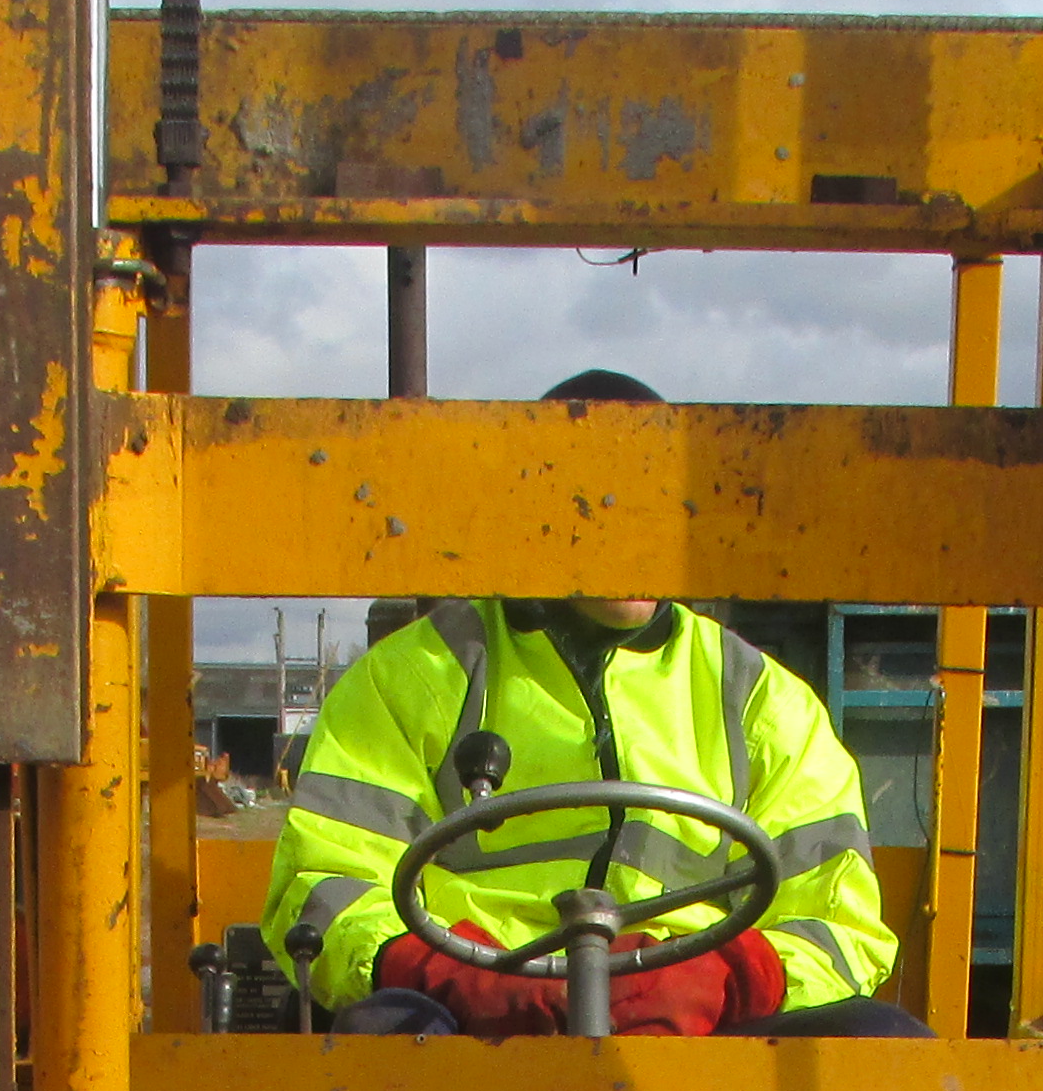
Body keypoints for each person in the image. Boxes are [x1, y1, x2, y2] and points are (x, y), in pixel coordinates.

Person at [263, 372, 928, 1038]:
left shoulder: (760, 701)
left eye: (657, 510)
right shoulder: (410, 678)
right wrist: (448, 972)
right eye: (603, 507)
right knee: (384, 1035)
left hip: (700, 1034)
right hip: (471, 1027)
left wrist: (724, 977)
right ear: (543, 511)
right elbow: (328, 882)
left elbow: (837, 923)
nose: (633, 538)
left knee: (886, 1041)